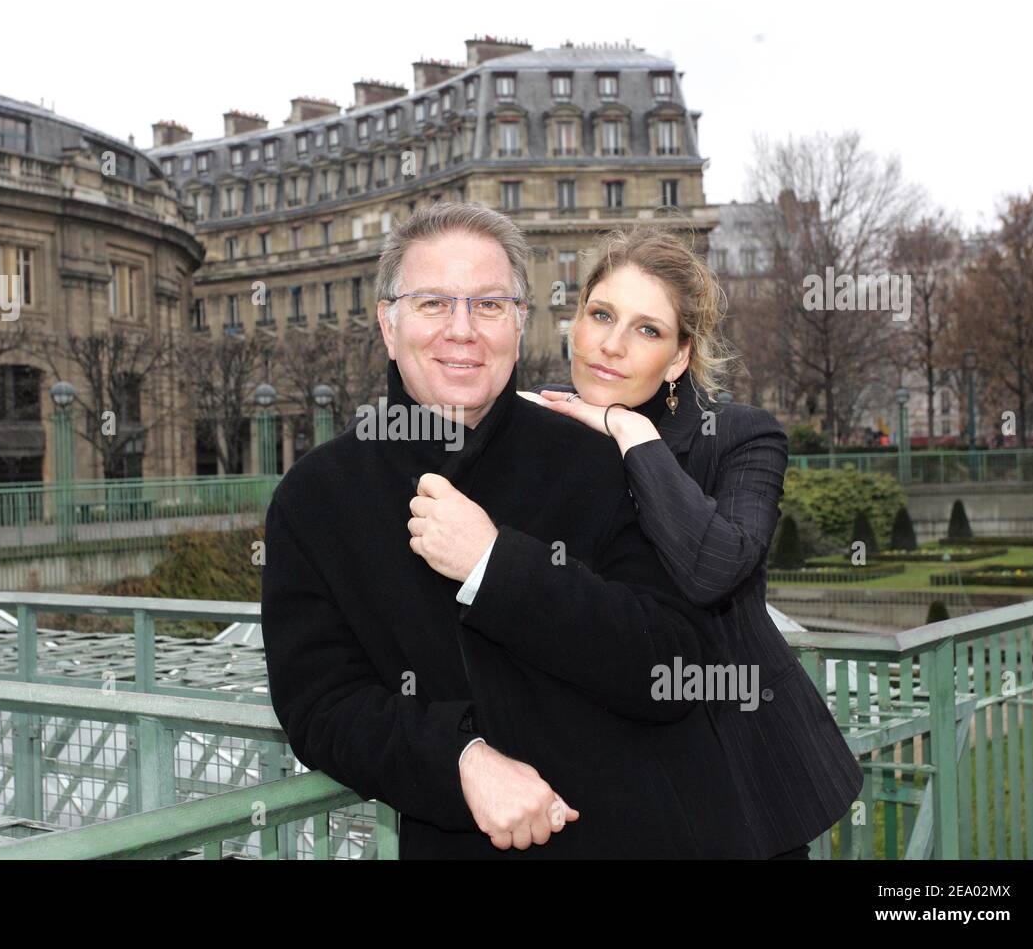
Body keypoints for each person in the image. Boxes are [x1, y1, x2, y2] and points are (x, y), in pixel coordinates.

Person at [261, 202, 757, 858]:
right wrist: (457, 759)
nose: (462, 330)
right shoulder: (314, 497)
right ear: (388, 323)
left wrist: (496, 568)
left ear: (520, 324)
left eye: (489, 305)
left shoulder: (599, 459)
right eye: (434, 303)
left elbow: (672, 666)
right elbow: (320, 705)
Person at [518, 226, 863, 859]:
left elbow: (714, 568)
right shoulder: (534, 428)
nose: (612, 345)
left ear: (679, 357)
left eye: (648, 330)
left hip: (738, 776)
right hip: (595, 779)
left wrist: (629, 434)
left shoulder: (740, 437)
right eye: (601, 315)